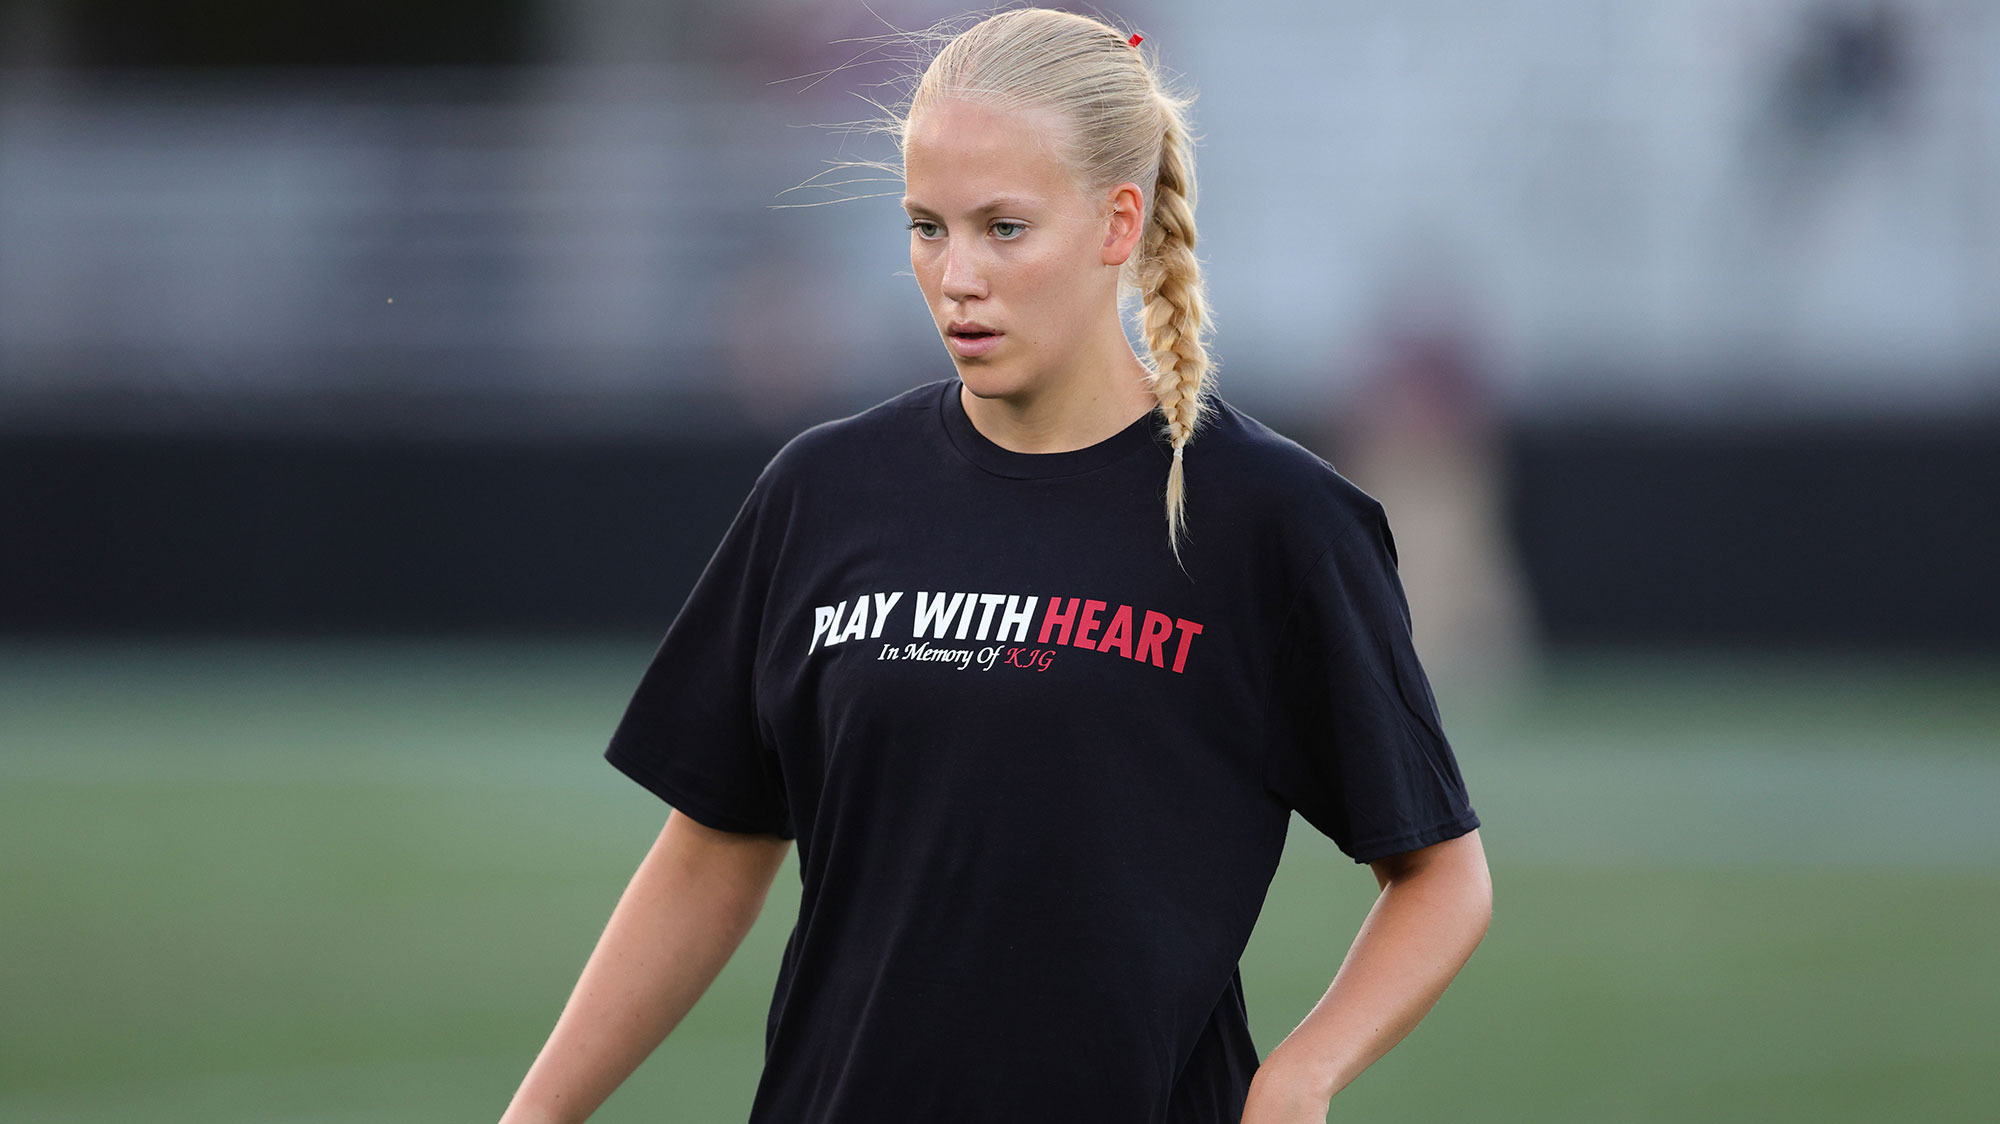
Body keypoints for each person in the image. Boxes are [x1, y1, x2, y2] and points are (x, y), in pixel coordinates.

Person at [499, 9, 1490, 1124]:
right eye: (927, 226)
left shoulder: (1271, 519)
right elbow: (710, 851)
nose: (954, 274)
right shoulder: (822, 492)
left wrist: (1301, 1073)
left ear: (1118, 221)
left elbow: (1440, 873)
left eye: (1003, 228)